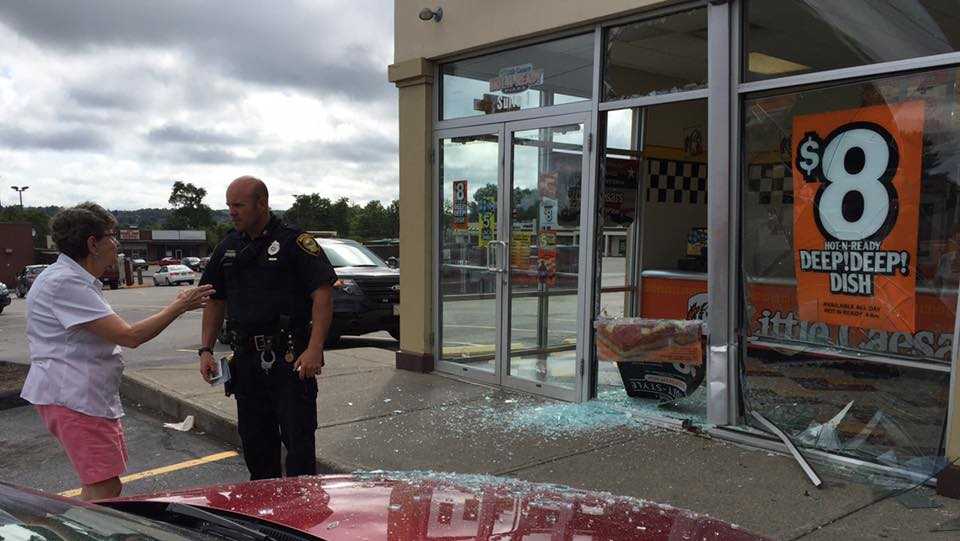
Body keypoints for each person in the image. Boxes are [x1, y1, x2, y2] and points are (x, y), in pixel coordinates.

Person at [20, 202, 213, 500]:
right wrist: (180, 306)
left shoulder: (69, 279)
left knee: (104, 485)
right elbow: (130, 336)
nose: (117, 243)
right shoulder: (65, 283)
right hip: (74, 398)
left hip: (83, 397)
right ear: (92, 243)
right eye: (112, 235)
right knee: (104, 489)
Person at [198, 176, 335, 479]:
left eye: (238, 205)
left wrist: (315, 348)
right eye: (228, 206)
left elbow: (323, 294)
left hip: (289, 360)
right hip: (246, 364)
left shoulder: (294, 242)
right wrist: (206, 349)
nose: (231, 212)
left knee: (299, 449)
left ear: (262, 203)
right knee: (257, 450)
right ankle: (264, 518)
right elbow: (214, 299)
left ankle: (302, 516)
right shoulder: (228, 247)